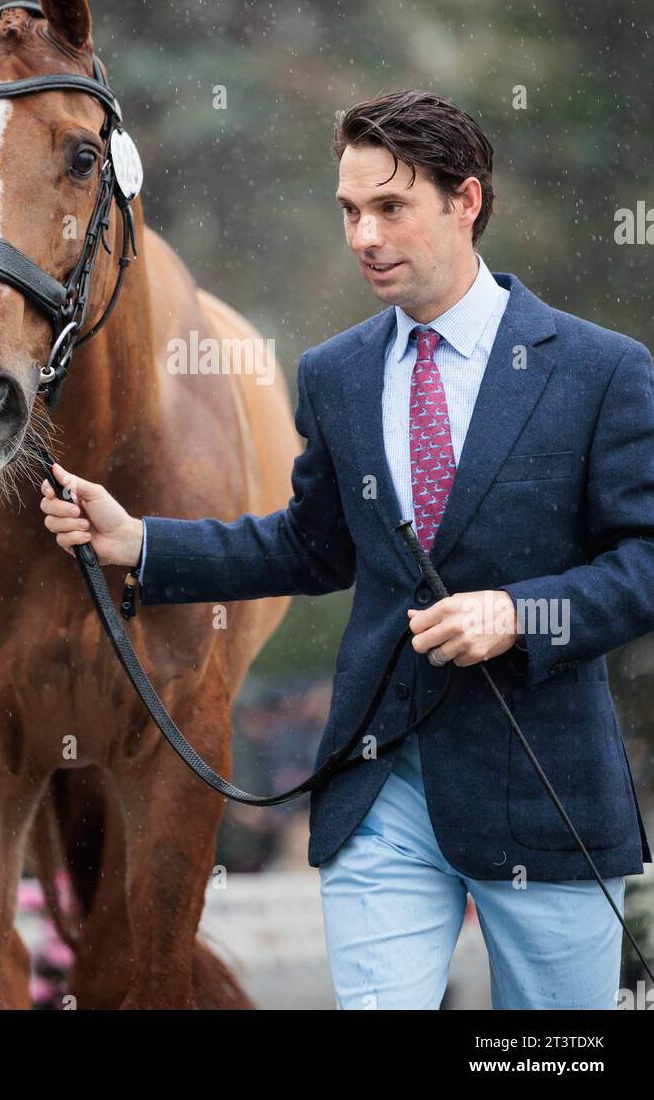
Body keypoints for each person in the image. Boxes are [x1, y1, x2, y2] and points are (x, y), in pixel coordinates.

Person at [39, 90, 654, 1010]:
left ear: (467, 202)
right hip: (379, 797)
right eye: (349, 211)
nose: (363, 234)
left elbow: (642, 563)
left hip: (545, 798)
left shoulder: (600, 371)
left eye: (390, 208)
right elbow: (310, 547)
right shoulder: (335, 374)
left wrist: (521, 615)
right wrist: (141, 543)